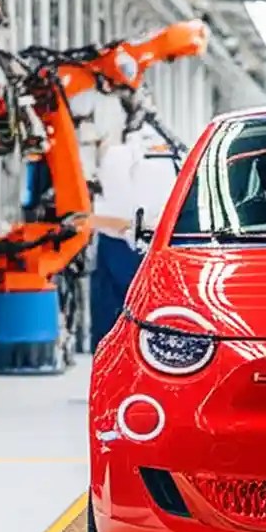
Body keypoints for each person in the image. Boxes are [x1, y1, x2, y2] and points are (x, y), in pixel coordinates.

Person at [89, 96, 185, 349]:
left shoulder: (120, 152)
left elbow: (115, 199)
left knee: (116, 317)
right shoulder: (169, 148)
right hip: (157, 240)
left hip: (124, 239)